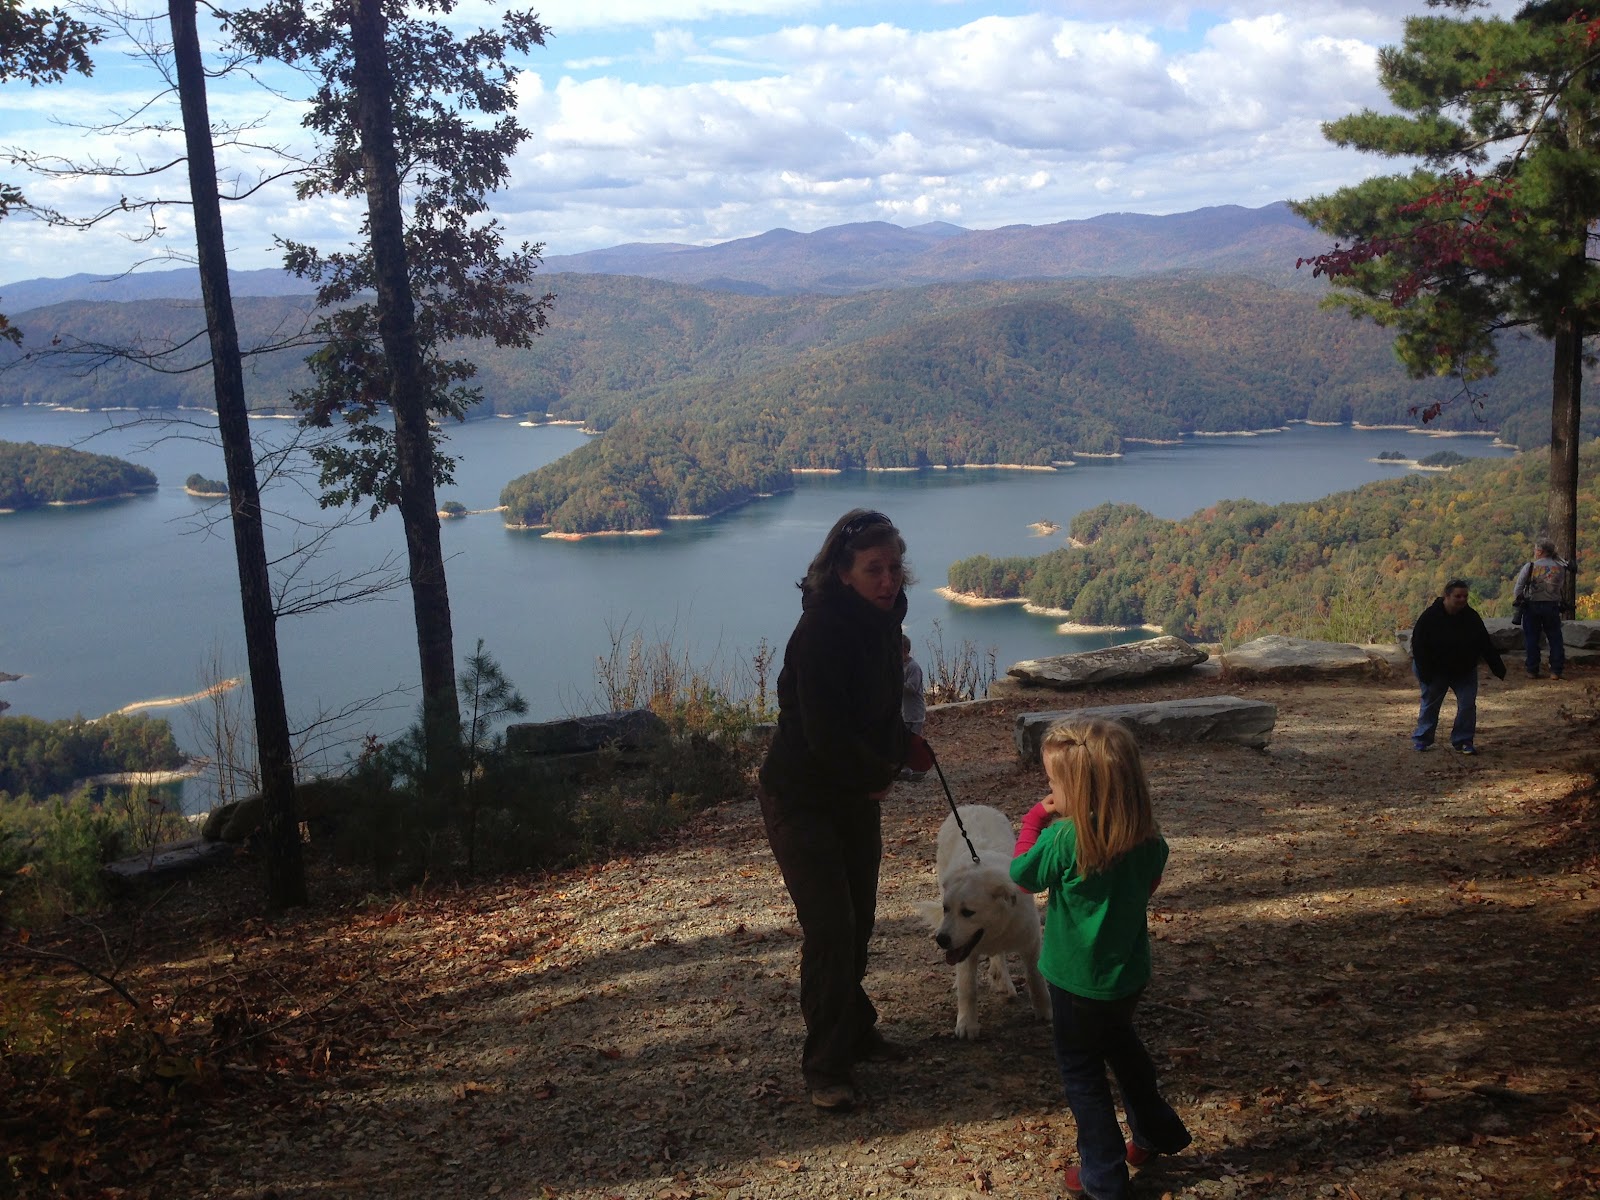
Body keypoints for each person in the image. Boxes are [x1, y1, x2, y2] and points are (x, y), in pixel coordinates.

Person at [757, 509, 932, 1112]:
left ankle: (854, 1031)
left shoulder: (884, 620)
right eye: (873, 570)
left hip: (853, 795)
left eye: (893, 569)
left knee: (856, 921)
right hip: (800, 797)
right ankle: (826, 1067)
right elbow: (823, 733)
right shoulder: (822, 633)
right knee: (831, 927)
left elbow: (882, 707)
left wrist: (900, 748)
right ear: (843, 572)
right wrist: (879, 773)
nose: (888, 581)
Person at [1010, 718, 1190, 1200]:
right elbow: (1145, 890)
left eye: (1053, 785)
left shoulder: (1064, 840)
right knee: (1124, 1051)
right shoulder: (1150, 842)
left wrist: (1033, 821)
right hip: (1126, 978)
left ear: (1081, 790)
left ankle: (1103, 1176)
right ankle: (1156, 1133)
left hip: (1074, 982)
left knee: (1083, 1075)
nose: (1049, 793)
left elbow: (1022, 877)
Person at [1410, 579, 1506, 754]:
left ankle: (1463, 740)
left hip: (1464, 670)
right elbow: (1418, 646)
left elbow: (1484, 643)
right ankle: (1422, 738)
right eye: (1458, 596)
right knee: (1430, 704)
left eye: (1465, 596)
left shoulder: (1471, 617)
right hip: (1436, 669)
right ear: (1446, 596)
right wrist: (1425, 673)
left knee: (1467, 704)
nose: (1462, 600)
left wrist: (1498, 667)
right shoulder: (1430, 617)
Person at [1512, 536, 1574, 680]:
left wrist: (1518, 600)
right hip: (1552, 605)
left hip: (1532, 605)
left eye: (1536, 549)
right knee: (1555, 638)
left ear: (1539, 551)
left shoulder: (1531, 566)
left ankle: (1532, 669)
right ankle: (1556, 670)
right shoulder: (1559, 567)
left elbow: (1519, 587)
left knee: (1532, 638)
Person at [899, 635, 928, 781]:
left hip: (915, 713)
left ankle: (920, 768)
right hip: (904, 712)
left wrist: (894, 684)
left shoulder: (913, 667)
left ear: (904, 650)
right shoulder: (900, 666)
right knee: (902, 741)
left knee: (914, 743)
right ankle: (905, 768)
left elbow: (912, 688)